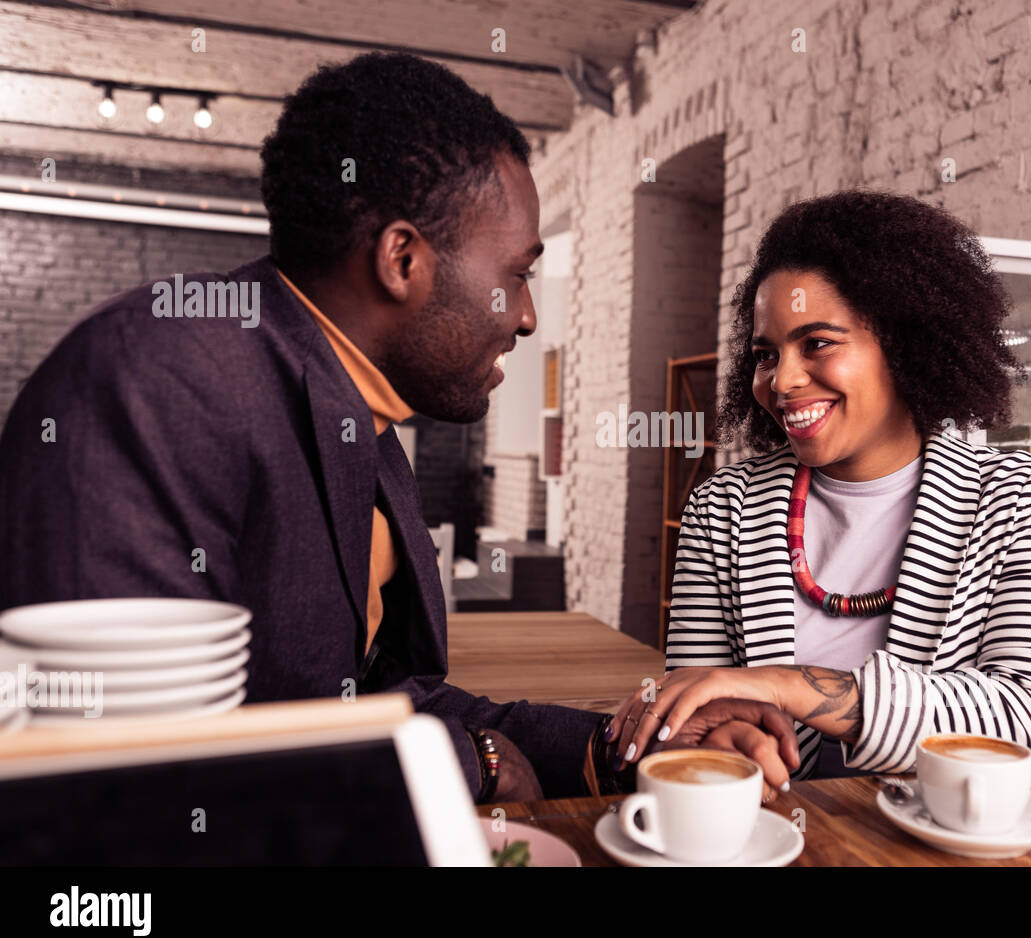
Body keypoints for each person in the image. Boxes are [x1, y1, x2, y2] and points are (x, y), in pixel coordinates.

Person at [0, 52, 799, 804]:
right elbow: (126, 762)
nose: (525, 317)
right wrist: (467, 760)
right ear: (402, 260)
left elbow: (389, 697)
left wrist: (627, 746)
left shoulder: (361, 419)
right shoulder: (162, 376)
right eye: (517, 275)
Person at [609, 191, 1031, 781]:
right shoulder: (722, 508)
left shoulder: (1020, 500)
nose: (782, 380)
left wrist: (787, 687)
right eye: (766, 354)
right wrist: (722, 741)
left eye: (817, 343)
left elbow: (1029, 723)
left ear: (905, 344)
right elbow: (699, 708)